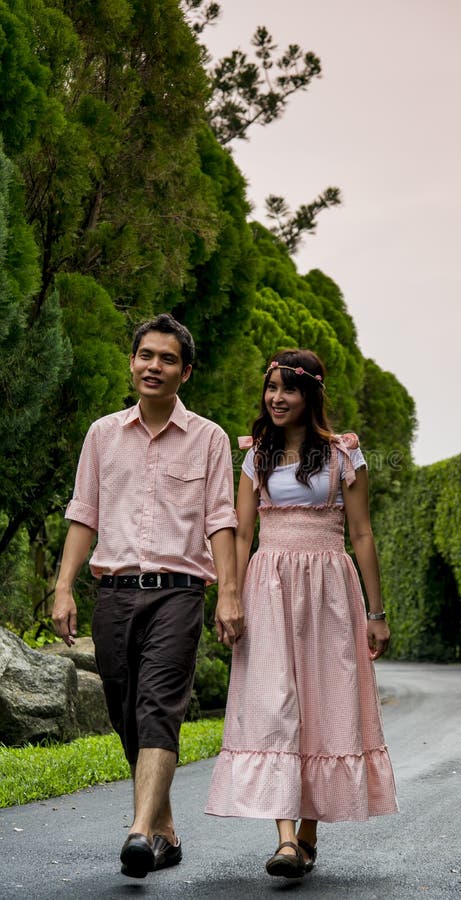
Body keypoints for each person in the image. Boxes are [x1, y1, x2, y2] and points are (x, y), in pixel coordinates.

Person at [52, 313, 244, 879]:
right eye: (145, 355)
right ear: (132, 361)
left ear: (185, 372)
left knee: (159, 705)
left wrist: (227, 593)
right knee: (123, 707)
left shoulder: (208, 438)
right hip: (112, 593)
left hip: (179, 593)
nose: (152, 366)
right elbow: (83, 515)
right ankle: (163, 827)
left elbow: (221, 521)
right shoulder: (102, 434)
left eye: (166, 359)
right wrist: (63, 587)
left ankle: (139, 833)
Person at [205, 348, 398, 878]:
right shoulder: (254, 458)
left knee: (324, 703)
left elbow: (361, 534)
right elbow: (242, 533)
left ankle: (307, 836)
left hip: (331, 591)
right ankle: (285, 838)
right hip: (269, 588)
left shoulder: (344, 456)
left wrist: (376, 612)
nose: (277, 398)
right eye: (271, 388)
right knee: (275, 704)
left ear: (310, 395)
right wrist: (231, 596)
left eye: (288, 389)